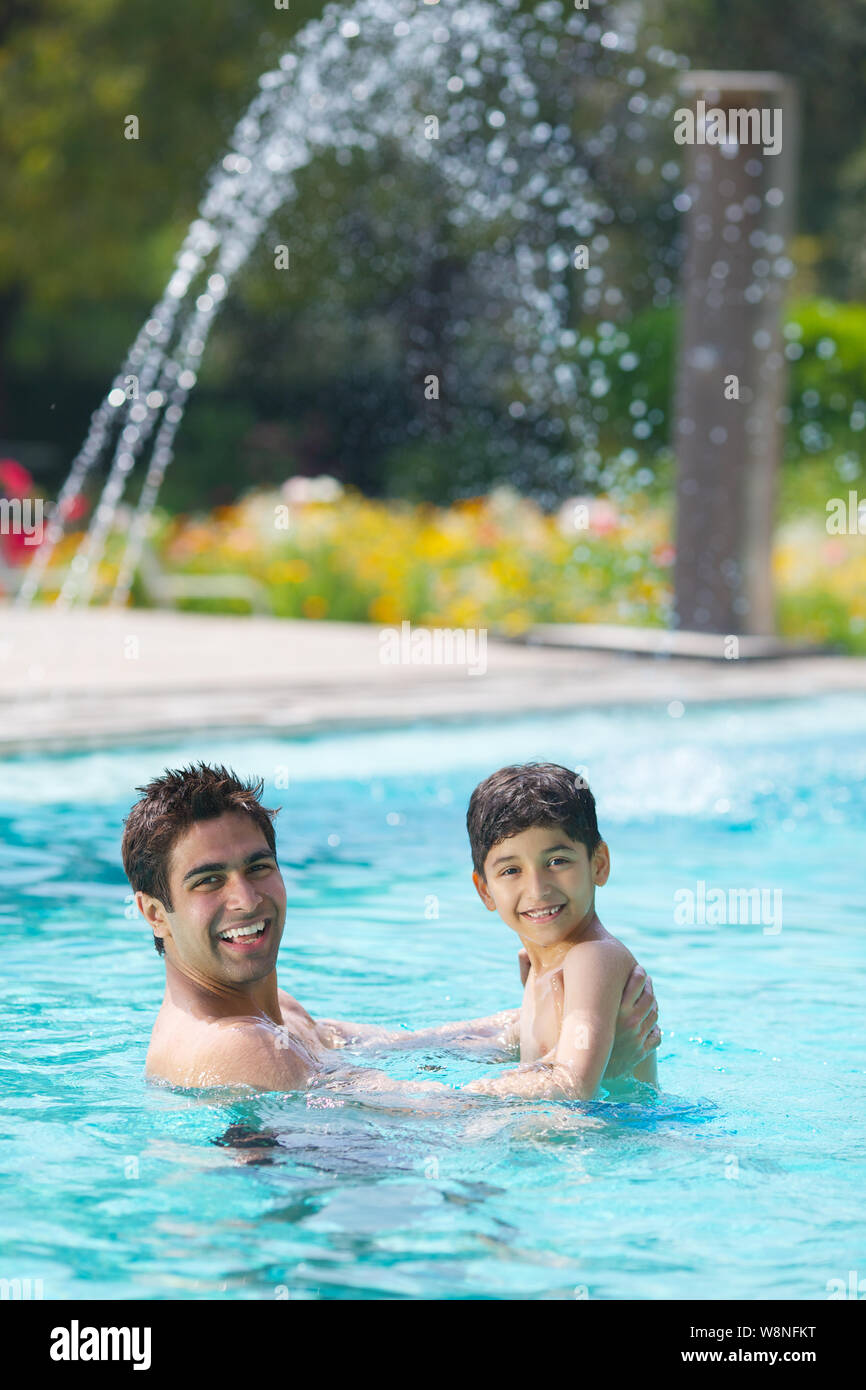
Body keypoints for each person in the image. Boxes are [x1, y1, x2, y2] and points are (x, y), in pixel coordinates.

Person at [122, 762, 660, 1093]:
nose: (244, 898)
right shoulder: (239, 1047)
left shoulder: (279, 1013)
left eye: (258, 867)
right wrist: (594, 1064)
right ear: (153, 912)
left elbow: (413, 1045)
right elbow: (437, 1120)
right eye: (208, 881)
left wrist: (557, 1022)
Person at [462, 761, 660, 1100]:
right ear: (485, 891)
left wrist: (429, 1096)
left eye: (557, 861)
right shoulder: (541, 966)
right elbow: (497, 1039)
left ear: (598, 864)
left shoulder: (592, 957)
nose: (537, 889)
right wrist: (374, 1041)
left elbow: (571, 1084)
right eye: (511, 870)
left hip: (607, 1141)